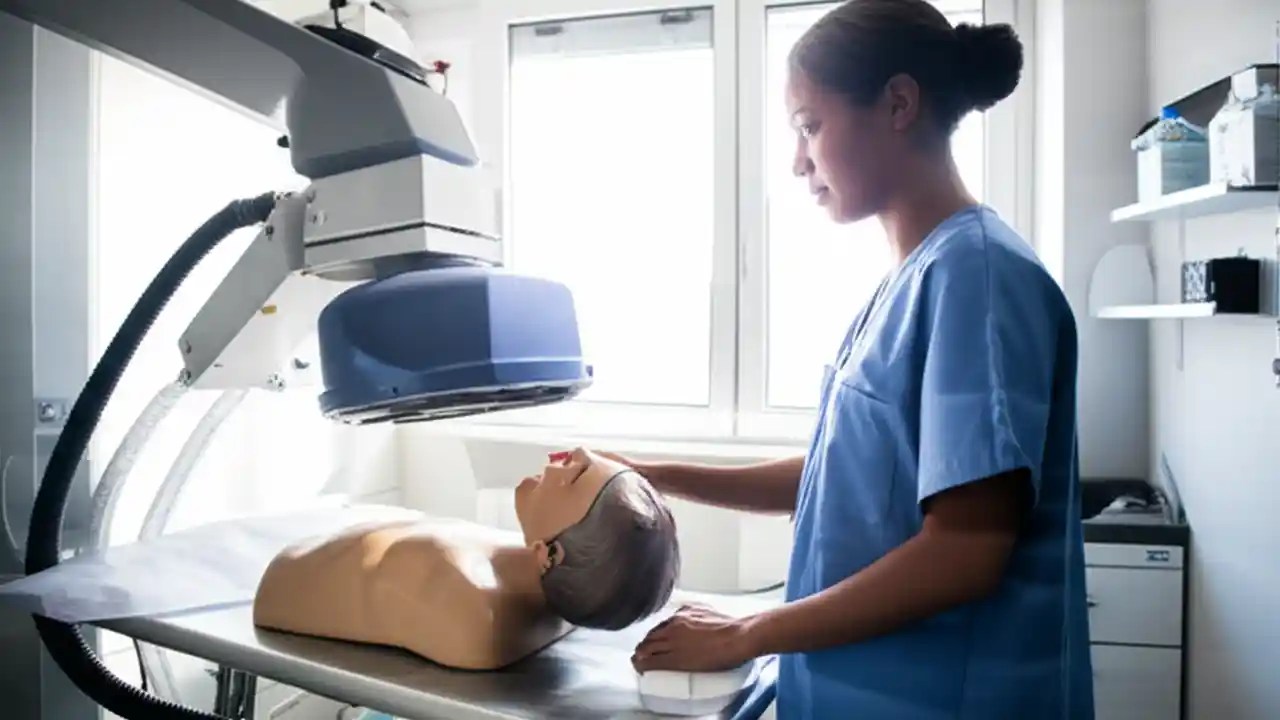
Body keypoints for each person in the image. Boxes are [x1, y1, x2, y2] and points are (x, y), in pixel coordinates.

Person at [611, 1, 1095, 718]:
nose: (797, 161)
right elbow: (848, 477)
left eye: (809, 125)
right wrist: (654, 475)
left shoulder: (978, 278)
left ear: (898, 103)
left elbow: (964, 551)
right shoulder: (913, 280)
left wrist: (745, 633)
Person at [252, 448, 680, 670]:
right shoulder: (568, 591)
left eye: (577, 475)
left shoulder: (463, 600)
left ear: (548, 554)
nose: (565, 457)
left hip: (285, 582)